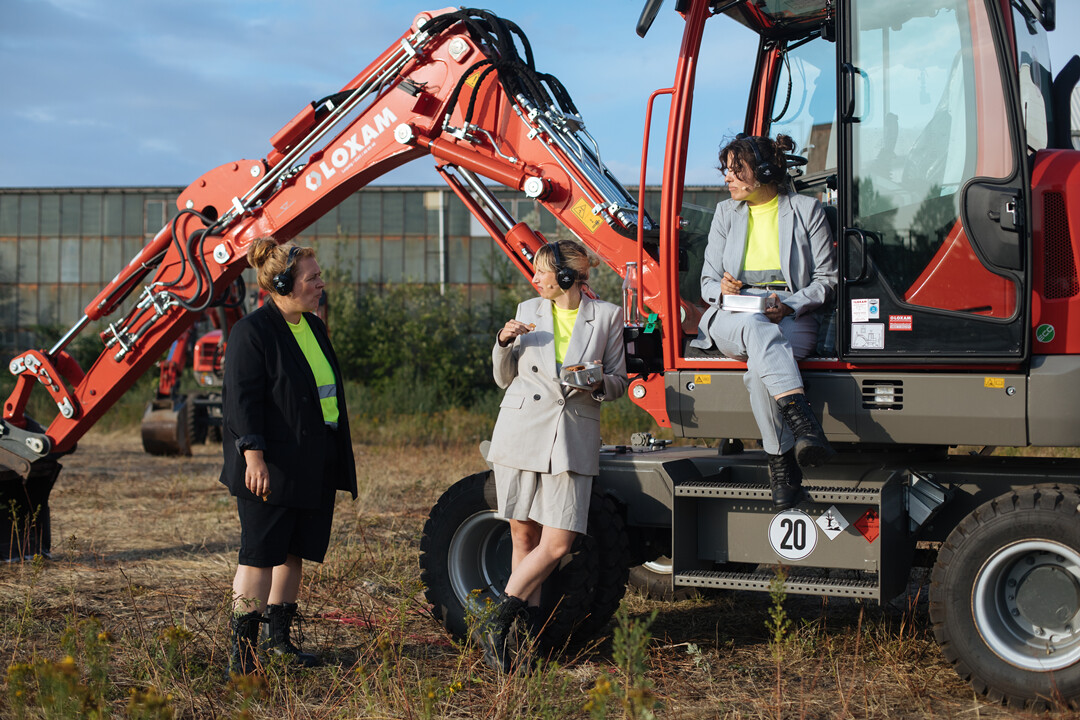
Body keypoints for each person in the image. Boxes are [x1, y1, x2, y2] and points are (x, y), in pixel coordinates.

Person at [481, 240, 628, 671]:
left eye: (542, 271)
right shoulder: (527, 310)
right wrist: (503, 341)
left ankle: (499, 617)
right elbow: (502, 378)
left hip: (571, 439)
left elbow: (618, 381)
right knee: (523, 538)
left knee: (559, 542)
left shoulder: (607, 316)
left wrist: (597, 382)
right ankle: (522, 646)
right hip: (520, 433)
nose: (535, 278)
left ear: (566, 276)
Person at [220, 238, 357, 676]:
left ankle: (279, 642)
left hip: (312, 460)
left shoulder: (313, 326)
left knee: (294, 553)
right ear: (282, 283)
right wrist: (253, 458)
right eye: (312, 277)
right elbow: (242, 401)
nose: (321, 283)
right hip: (271, 467)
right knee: (259, 555)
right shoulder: (252, 331)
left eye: (318, 275)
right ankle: (243, 658)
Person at [690, 134, 838, 510]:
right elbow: (706, 284)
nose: (728, 178)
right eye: (726, 171)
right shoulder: (725, 213)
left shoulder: (806, 210)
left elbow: (828, 281)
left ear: (766, 170)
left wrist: (788, 306)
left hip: (789, 311)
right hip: (732, 315)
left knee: (760, 372)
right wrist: (723, 291)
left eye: (737, 170)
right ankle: (803, 423)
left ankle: (782, 465)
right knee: (756, 326)